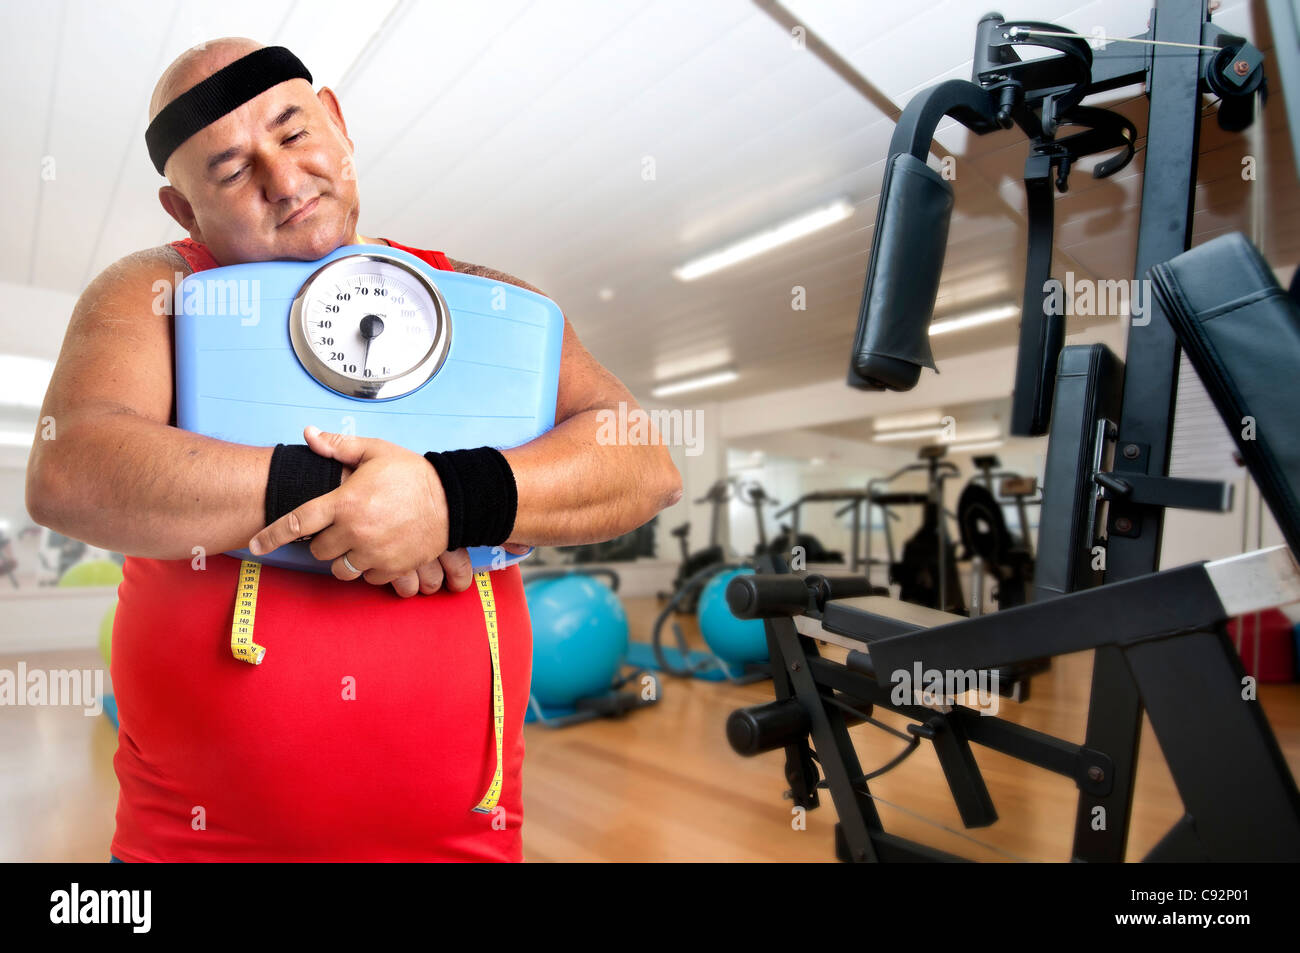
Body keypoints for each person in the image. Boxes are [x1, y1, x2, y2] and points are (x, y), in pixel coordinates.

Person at [25, 37, 682, 862]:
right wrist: (349, 498)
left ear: (336, 121)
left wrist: (446, 500)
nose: (284, 179)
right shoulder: (158, 290)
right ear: (185, 211)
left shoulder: (489, 297)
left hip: (460, 842)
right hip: (194, 846)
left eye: (293, 132)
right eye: (230, 170)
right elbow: (72, 470)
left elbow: (641, 463)